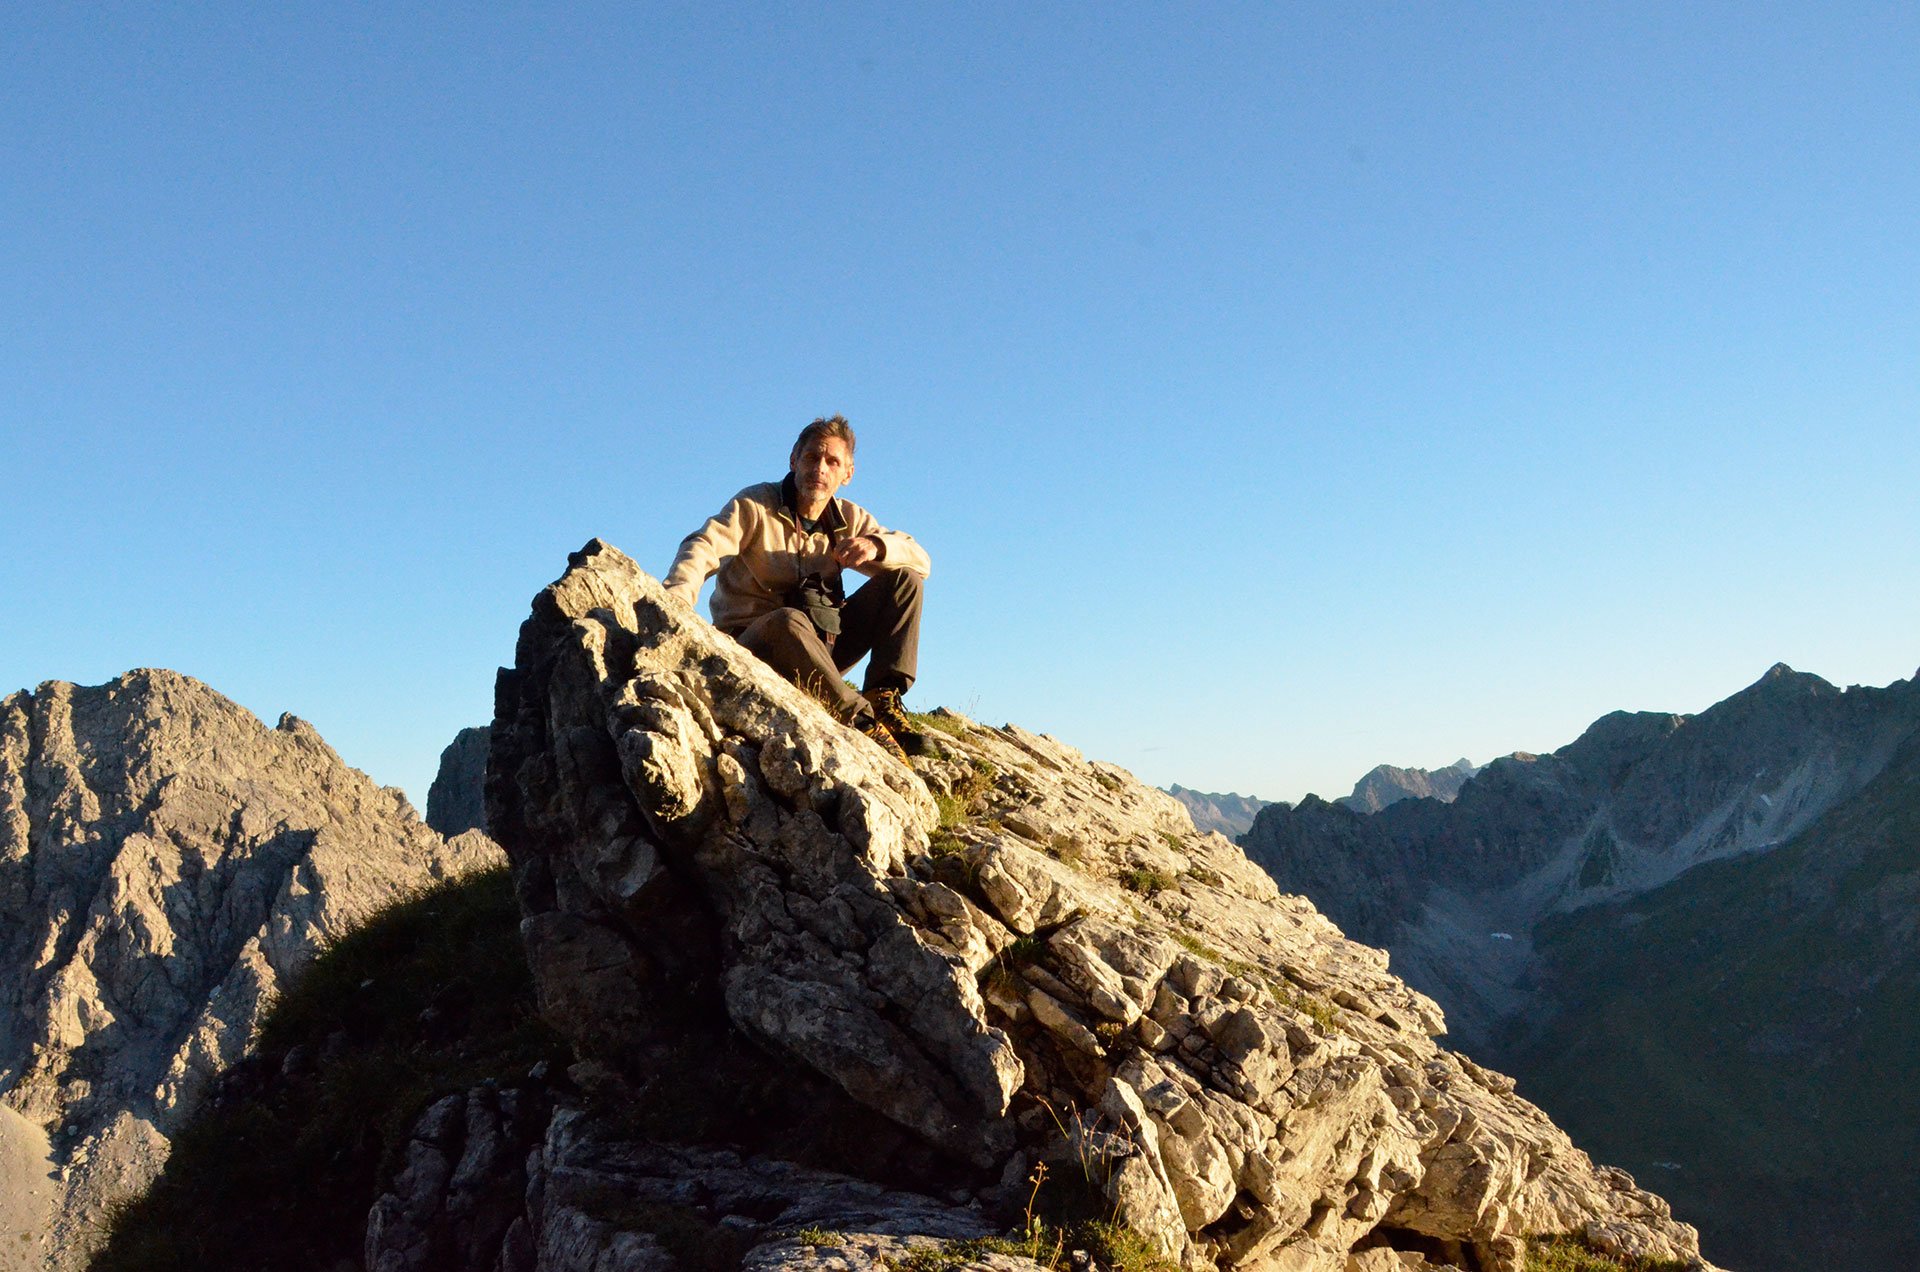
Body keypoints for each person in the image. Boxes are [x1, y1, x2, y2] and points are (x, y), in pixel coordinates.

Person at [664, 415, 930, 762]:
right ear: (794, 460)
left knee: (903, 580)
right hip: (755, 647)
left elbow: (921, 563)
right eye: (811, 457)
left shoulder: (850, 519)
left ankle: (883, 698)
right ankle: (861, 721)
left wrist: (876, 547)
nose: (820, 468)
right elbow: (703, 546)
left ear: (847, 474)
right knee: (787, 620)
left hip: (820, 649)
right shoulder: (755, 505)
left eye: (832, 461)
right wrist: (676, 601)